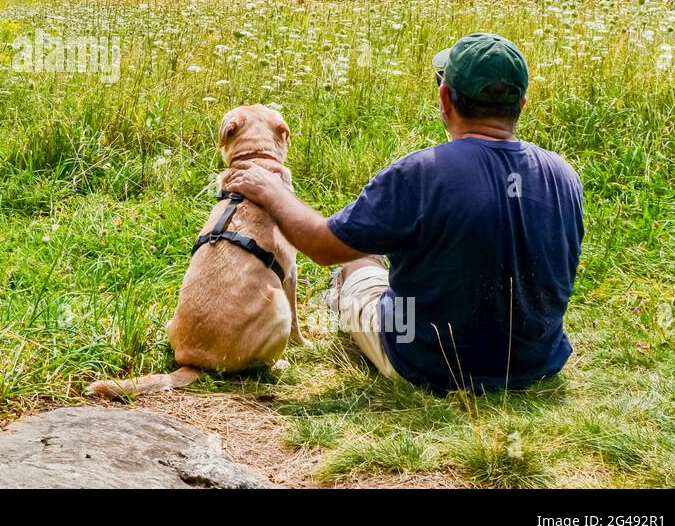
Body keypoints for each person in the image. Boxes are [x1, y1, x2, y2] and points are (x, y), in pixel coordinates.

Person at [224, 33, 584, 393]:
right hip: (537, 362)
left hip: (424, 364)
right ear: (521, 103)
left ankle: (338, 298)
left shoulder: (421, 173)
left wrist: (271, 191)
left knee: (357, 263)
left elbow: (321, 246)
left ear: (445, 98)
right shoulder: (563, 175)